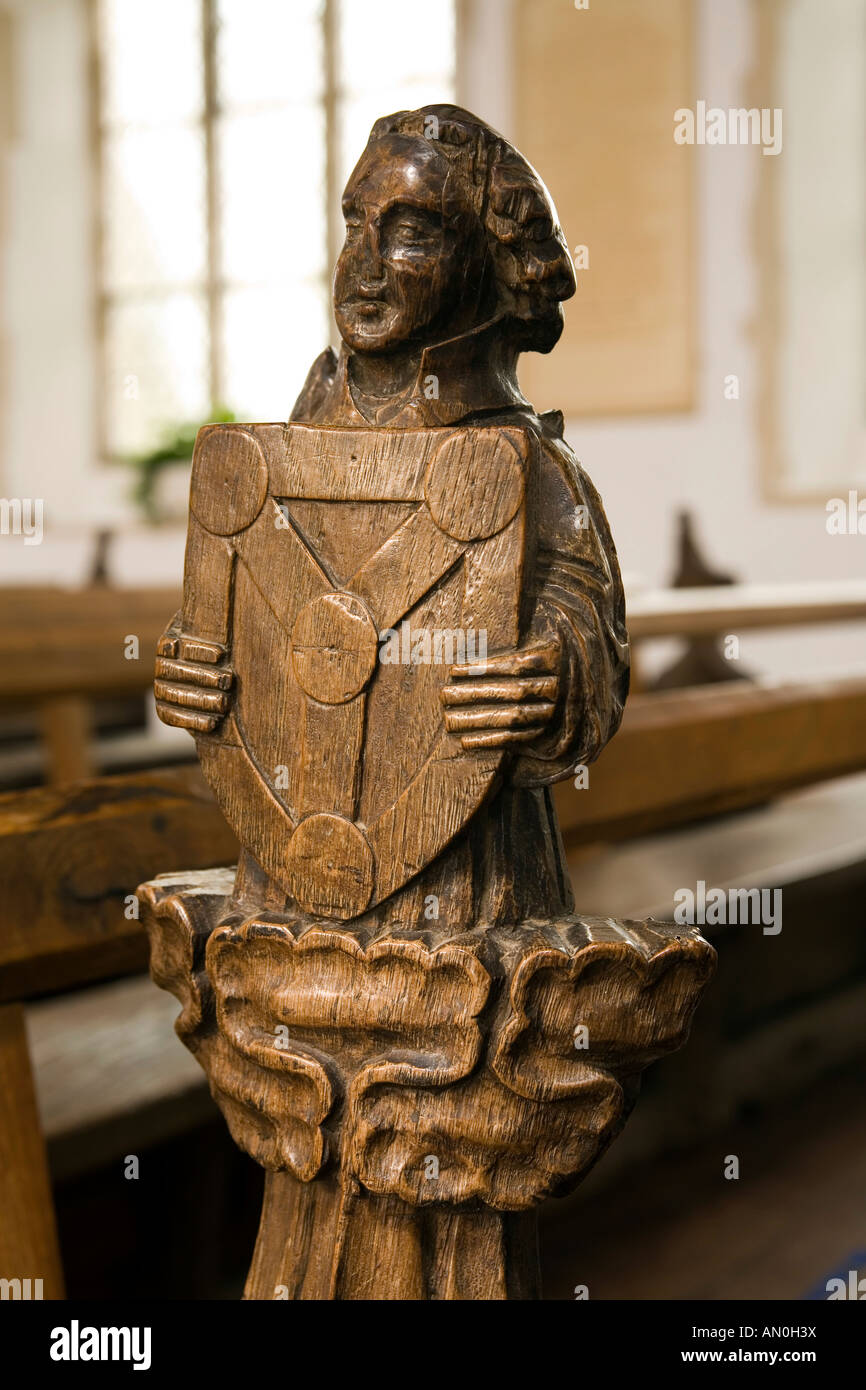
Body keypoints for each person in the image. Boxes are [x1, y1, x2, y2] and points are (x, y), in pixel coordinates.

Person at [157, 104, 629, 929]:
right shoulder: (288, 452)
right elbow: (249, 616)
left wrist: (550, 673)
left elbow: (589, 629)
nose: (365, 265)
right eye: (355, 225)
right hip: (290, 868)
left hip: (464, 879)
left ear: (486, 266)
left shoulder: (524, 461)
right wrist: (195, 664)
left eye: (412, 234)